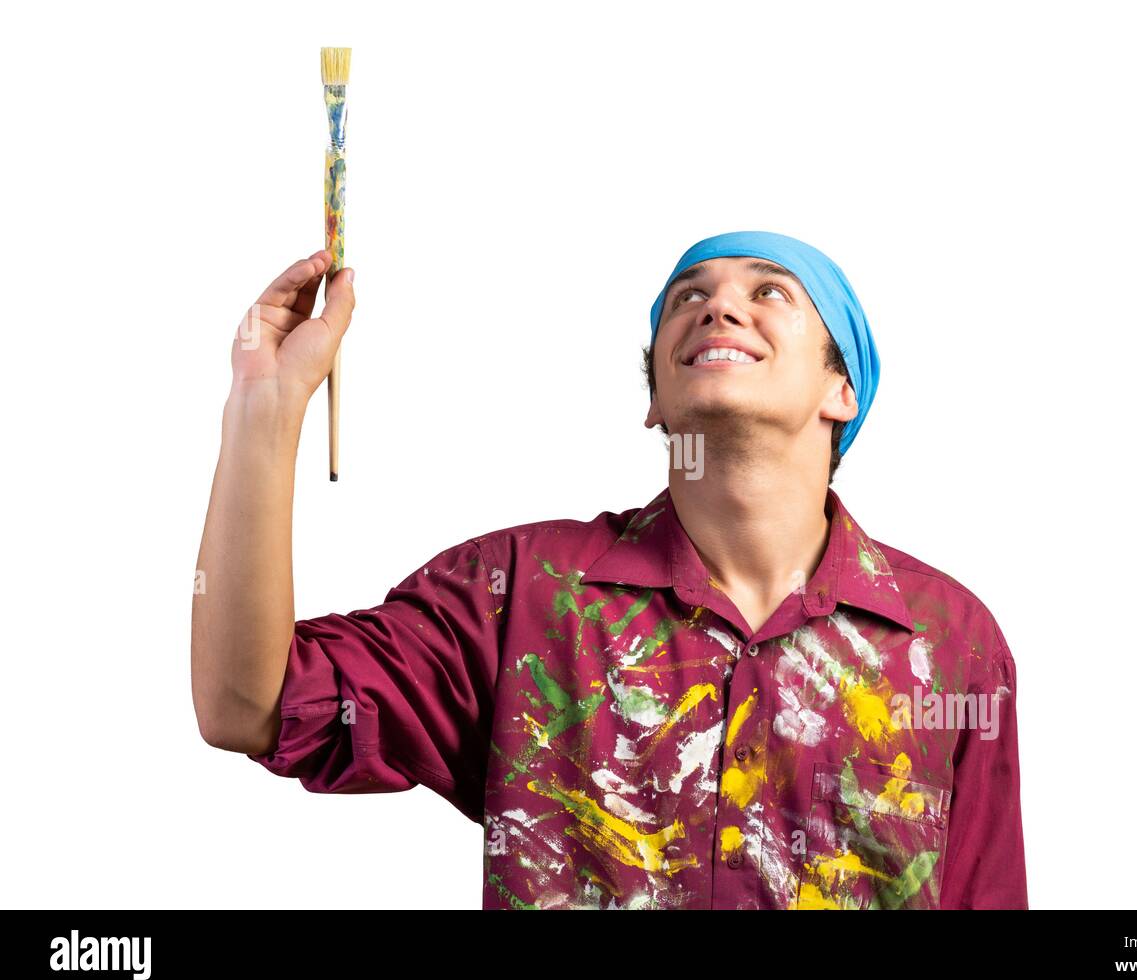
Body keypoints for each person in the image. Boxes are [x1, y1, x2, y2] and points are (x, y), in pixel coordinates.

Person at [192, 231, 1027, 910]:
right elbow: (247, 705)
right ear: (657, 401)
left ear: (841, 388)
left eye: (769, 291)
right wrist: (266, 407)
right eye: (687, 299)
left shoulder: (950, 643)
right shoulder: (519, 594)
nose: (719, 305)